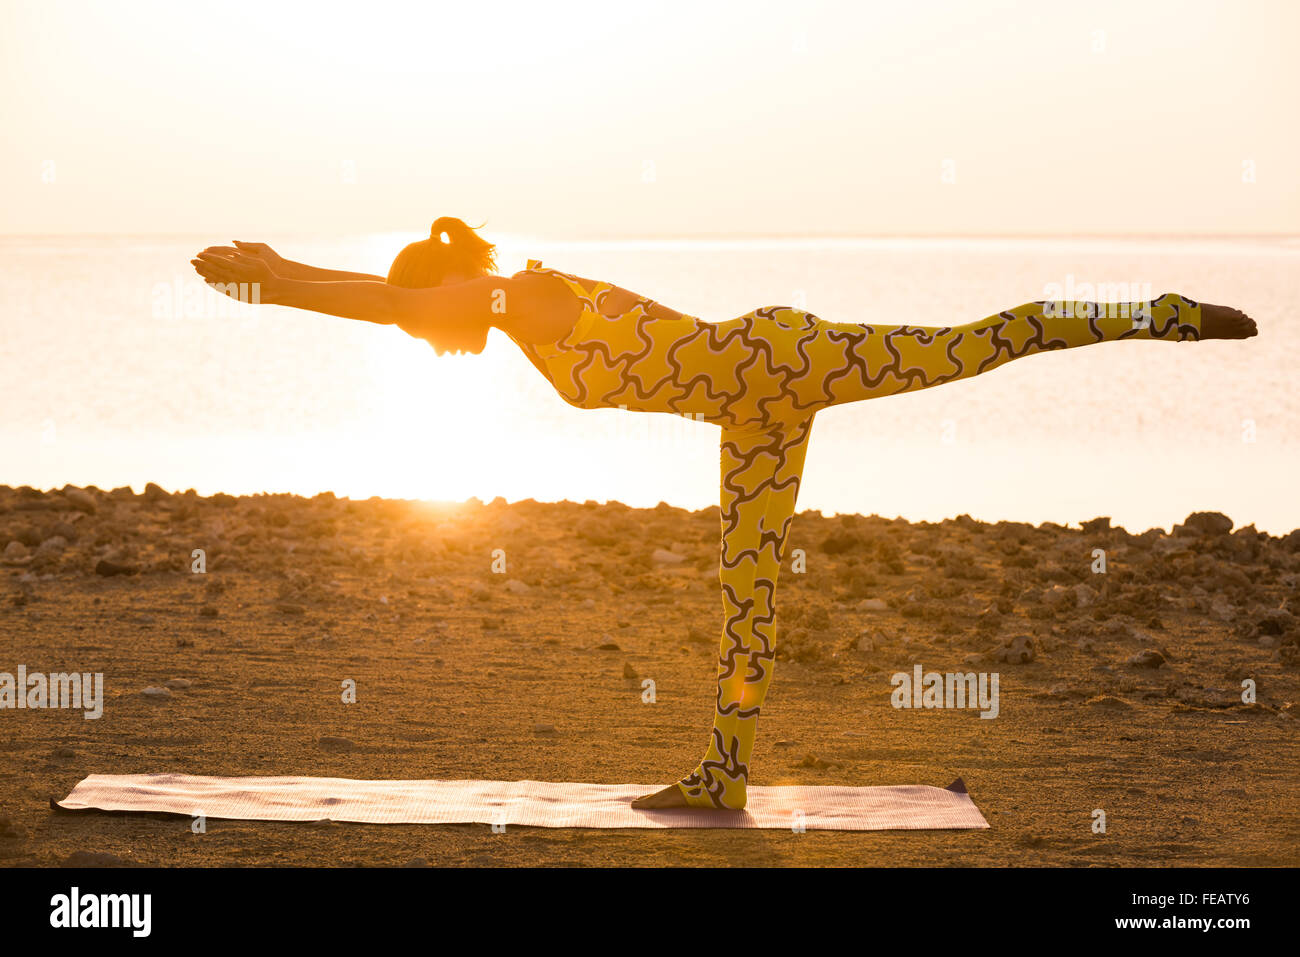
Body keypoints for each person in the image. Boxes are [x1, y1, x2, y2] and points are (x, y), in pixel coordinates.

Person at [192, 217, 1257, 811]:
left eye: (434, 316)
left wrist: (277, 281)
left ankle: (1161, 314)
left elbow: (395, 303)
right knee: (746, 588)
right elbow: (399, 300)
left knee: (984, 338)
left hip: (778, 356)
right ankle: (722, 776)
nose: (429, 341)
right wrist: (283, 269)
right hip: (748, 414)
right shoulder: (504, 310)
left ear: (451, 290)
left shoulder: (521, 294)